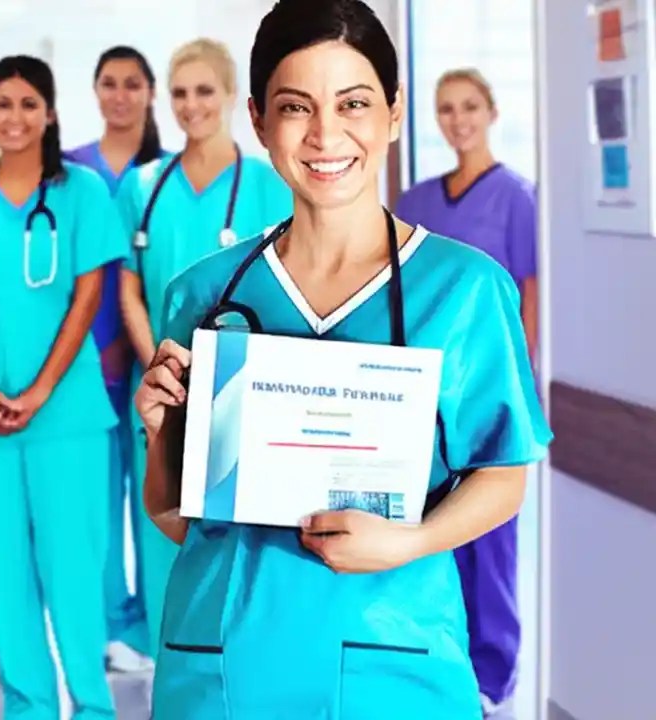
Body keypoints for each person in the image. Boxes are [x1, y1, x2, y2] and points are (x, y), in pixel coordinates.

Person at [134, 1, 553, 717]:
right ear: (260, 122)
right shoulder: (203, 293)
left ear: (392, 114)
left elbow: (505, 478)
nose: (326, 134)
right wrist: (158, 434)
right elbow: (176, 516)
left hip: (393, 657)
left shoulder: (464, 289)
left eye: (353, 103)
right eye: (296, 107)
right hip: (222, 660)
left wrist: (411, 540)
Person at [0, 55, 126, 720]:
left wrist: (37, 392)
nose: (14, 118)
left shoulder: (84, 192)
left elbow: (88, 296)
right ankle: (29, 707)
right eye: (2, 104)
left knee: (71, 571)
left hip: (65, 416)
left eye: (28, 104)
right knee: (7, 577)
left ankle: (92, 706)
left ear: (51, 113)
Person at [115, 37, 292, 658]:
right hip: (166, 391)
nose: (192, 106)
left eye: (204, 92)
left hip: (244, 395)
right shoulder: (142, 187)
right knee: (163, 531)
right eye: (181, 93)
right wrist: (157, 361)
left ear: (231, 97)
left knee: (237, 541)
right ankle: (174, 674)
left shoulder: (270, 185)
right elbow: (130, 287)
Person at [395, 67, 540, 717]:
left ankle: (494, 672)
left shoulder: (518, 197)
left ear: (491, 110)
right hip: (418, 393)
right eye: (446, 109)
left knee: (490, 538)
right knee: (429, 529)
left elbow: (528, 298)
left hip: (482, 392)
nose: (458, 119)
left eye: (469, 107)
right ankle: (436, 658)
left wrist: (515, 384)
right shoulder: (414, 201)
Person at [64, 45, 165, 671]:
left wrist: (132, 340)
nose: (120, 95)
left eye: (132, 83)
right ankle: (108, 628)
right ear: (95, 92)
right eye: (109, 83)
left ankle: (155, 630)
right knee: (92, 507)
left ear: (150, 93)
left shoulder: (166, 175)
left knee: (155, 505)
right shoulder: (72, 171)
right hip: (79, 365)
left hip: (146, 357)